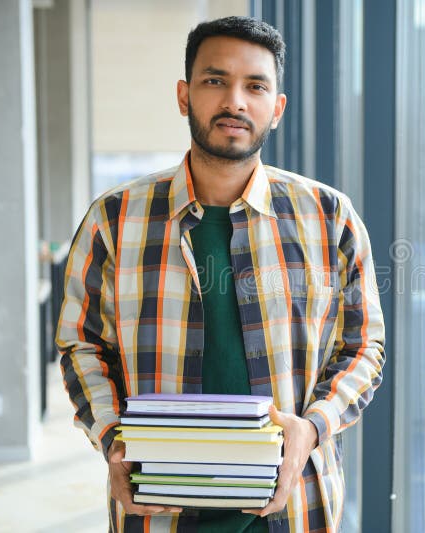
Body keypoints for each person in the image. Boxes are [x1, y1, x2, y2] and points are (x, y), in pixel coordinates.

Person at [56, 15, 385, 533]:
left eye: (255, 86)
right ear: (185, 96)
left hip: (296, 507)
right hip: (156, 509)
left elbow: (363, 347)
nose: (235, 101)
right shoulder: (114, 219)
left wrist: (314, 427)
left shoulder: (330, 217)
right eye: (216, 81)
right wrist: (113, 438)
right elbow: (81, 346)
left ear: (276, 109)